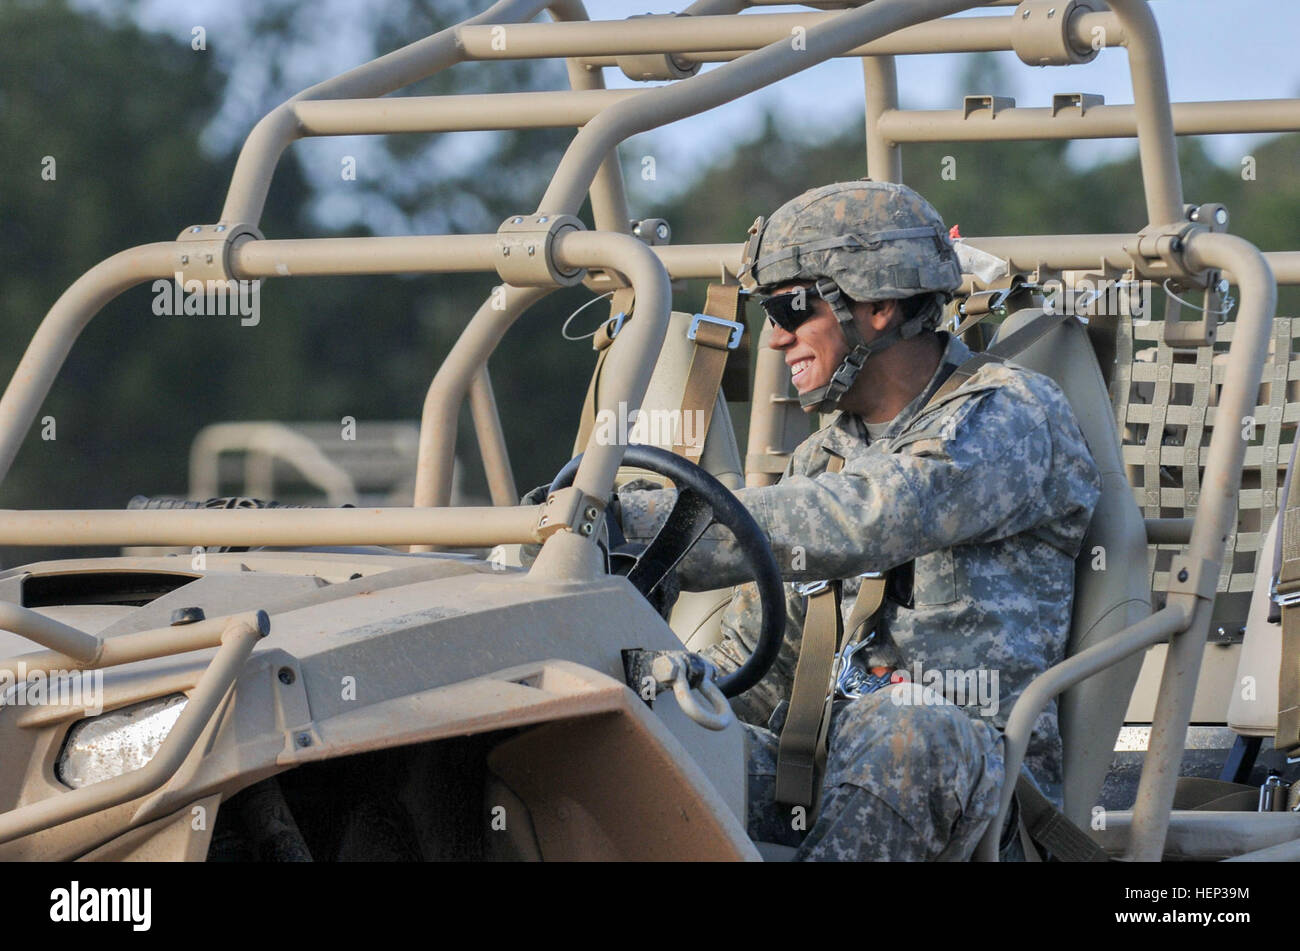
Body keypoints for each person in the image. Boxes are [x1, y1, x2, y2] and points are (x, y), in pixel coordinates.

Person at [615, 180, 1103, 861]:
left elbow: (872, 515)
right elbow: (759, 658)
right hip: (819, 771)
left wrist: (641, 526)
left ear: (876, 304)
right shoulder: (824, 456)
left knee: (901, 728)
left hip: (970, 783)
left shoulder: (1011, 414)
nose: (778, 336)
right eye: (768, 312)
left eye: (791, 306)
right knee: (622, 741)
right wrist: (663, 698)